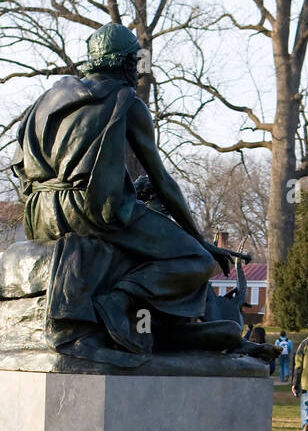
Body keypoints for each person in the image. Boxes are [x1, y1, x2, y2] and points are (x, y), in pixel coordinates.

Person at [12, 21, 234, 363]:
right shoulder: (126, 102)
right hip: (88, 211)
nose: (139, 73)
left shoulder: (46, 100)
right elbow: (163, 181)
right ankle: (119, 300)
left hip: (38, 213)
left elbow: (30, 166)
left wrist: (128, 188)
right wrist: (199, 238)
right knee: (197, 261)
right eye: (135, 63)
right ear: (124, 64)